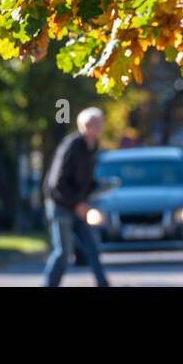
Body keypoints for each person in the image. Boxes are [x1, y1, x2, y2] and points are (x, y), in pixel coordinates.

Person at [42, 107, 109, 287]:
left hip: (78, 206)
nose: (99, 127)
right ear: (86, 125)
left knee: (92, 249)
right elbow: (57, 183)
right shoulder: (71, 145)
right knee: (63, 252)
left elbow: (84, 180)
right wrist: (77, 203)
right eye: (96, 123)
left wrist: (100, 186)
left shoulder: (92, 147)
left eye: (100, 123)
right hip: (61, 205)